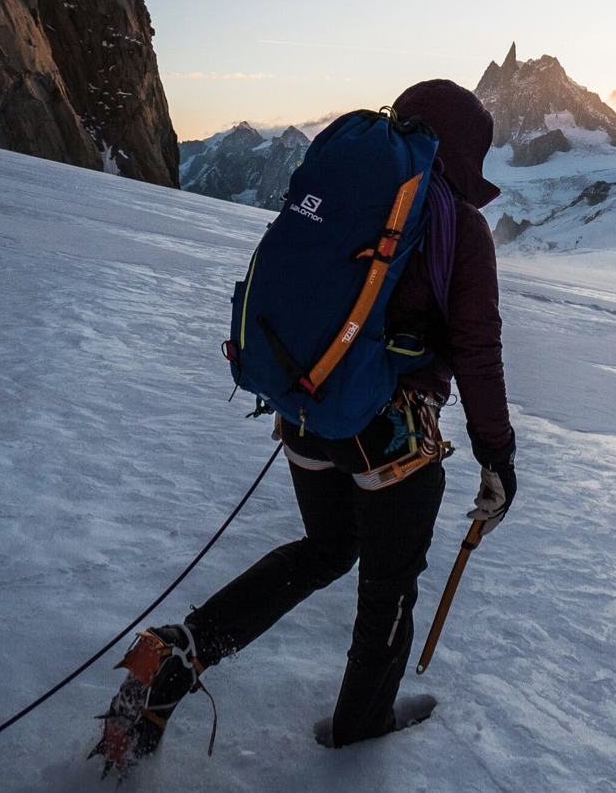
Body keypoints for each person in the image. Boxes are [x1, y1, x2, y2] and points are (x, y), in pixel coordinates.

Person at [93, 80, 517, 768]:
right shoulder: (458, 225)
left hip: (305, 407)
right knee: (388, 588)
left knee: (325, 548)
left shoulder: (360, 188)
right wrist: (498, 456)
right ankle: (360, 731)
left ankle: (181, 651)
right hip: (391, 441)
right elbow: (477, 346)